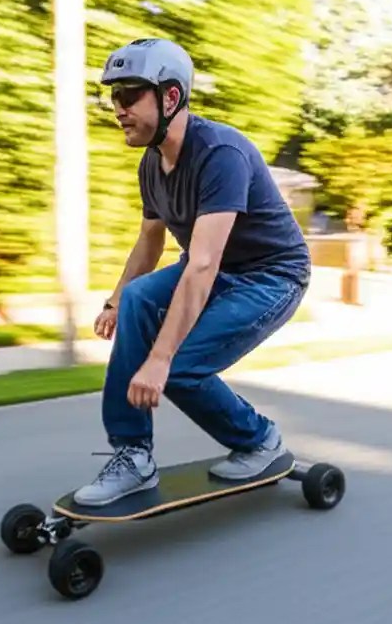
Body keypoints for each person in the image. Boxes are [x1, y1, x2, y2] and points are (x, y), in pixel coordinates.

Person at [73, 37, 312, 507]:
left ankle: (260, 441)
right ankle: (132, 456)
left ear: (171, 97)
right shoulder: (151, 163)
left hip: (271, 276)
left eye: (128, 95)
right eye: (112, 97)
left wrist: (159, 360)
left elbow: (202, 264)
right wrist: (116, 300)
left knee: (181, 369)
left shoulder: (221, 153)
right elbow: (150, 241)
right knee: (141, 296)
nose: (116, 109)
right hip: (218, 269)